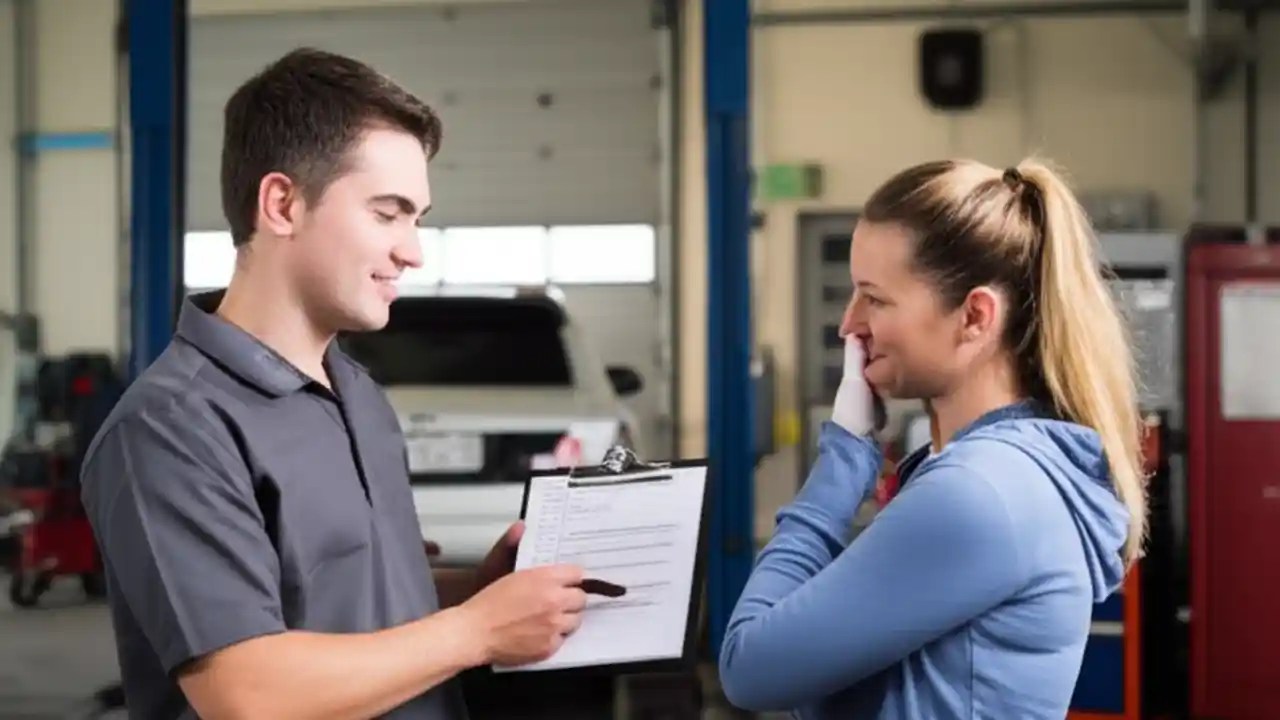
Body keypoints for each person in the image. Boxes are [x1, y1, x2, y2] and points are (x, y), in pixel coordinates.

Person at [79, 48, 589, 720]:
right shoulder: (171, 428)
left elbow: (338, 602)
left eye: (417, 218)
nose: (413, 251)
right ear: (283, 203)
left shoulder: (359, 396)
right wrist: (476, 631)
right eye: (388, 213)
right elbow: (248, 693)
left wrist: (473, 592)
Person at [718, 158, 1147, 719]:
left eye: (875, 298)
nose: (850, 325)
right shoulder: (991, 472)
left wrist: (842, 460)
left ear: (974, 316)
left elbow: (748, 669)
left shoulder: (981, 492)